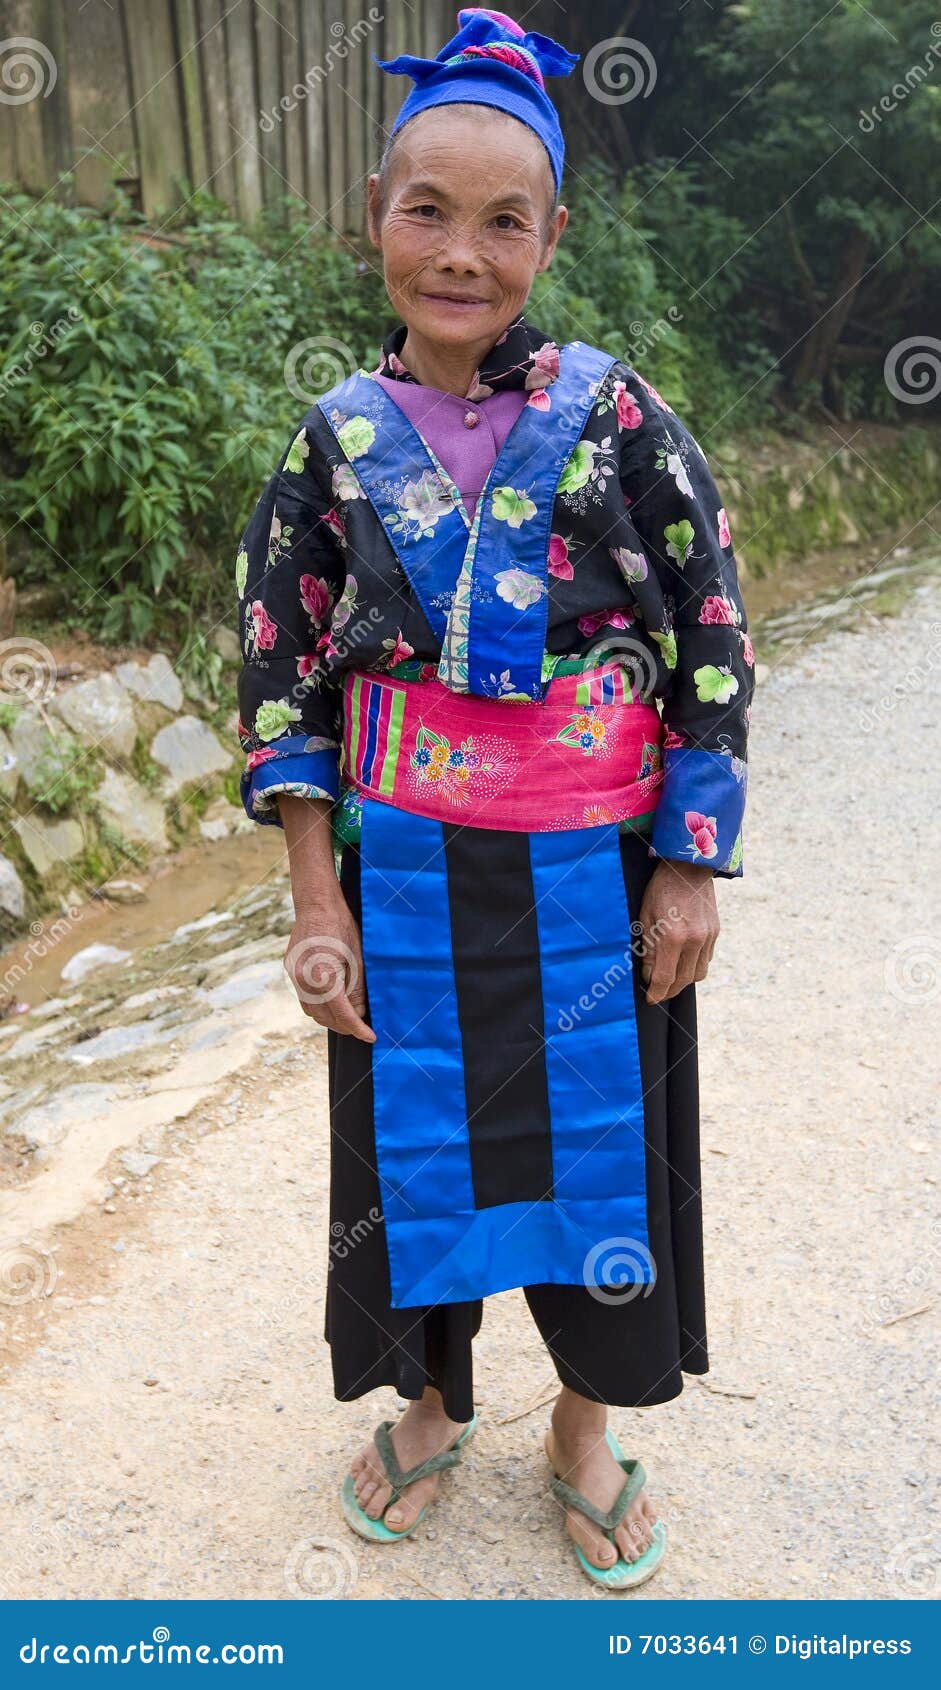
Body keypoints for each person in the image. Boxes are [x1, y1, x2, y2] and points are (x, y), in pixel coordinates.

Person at [235, 7, 753, 1590]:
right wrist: (315, 898)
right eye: (426, 210)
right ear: (374, 218)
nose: (461, 251)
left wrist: (688, 865)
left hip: (594, 876)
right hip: (403, 881)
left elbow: (712, 638)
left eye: (502, 219)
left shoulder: (618, 419)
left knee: (615, 1143)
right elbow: (281, 683)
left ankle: (585, 1427)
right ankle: (432, 1395)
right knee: (403, 1153)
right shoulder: (332, 447)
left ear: (552, 233)